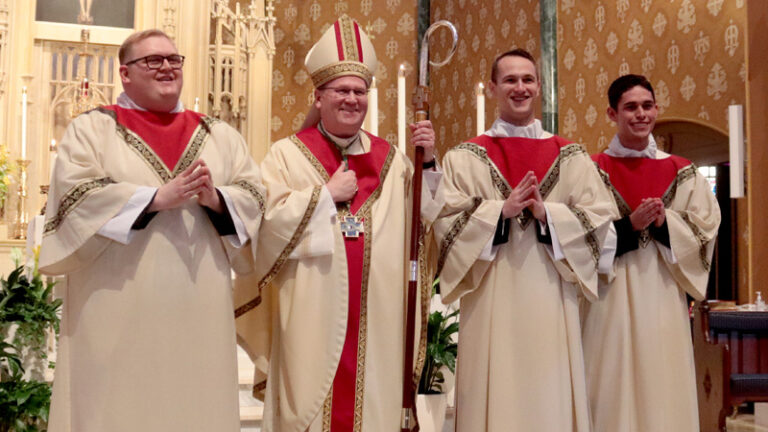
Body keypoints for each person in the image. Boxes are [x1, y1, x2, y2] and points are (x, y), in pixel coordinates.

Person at [39, 29, 265, 432]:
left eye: (174, 59)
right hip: (116, 303)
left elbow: (253, 194)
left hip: (198, 305)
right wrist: (155, 198)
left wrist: (216, 200)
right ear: (124, 73)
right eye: (153, 60)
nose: (167, 67)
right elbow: (74, 196)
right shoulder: (92, 130)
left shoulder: (220, 135)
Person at [234, 14, 443, 432]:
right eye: (341, 90)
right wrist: (323, 198)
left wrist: (430, 162)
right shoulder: (286, 156)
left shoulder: (395, 162)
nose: (352, 99)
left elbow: (426, 223)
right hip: (310, 318)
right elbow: (264, 226)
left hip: (379, 321)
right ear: (318, 97)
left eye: (359, 91)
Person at [433, 48, 616, 432]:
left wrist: (546, 214)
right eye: (511, 80)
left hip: (551, 296)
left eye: (528, 80)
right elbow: (445, 224)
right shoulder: (465, 157)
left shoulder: (571, 156)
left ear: (539, 87)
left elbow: (601, 222)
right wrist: (500, 211)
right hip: (490, 299)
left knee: (548, 395)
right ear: (493, 87)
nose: (520, 88)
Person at [582, 74, 721, 432]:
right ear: (612, 113)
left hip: (662, 296)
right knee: (610, 381)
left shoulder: (683, 171)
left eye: (647, 106)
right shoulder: (590, 170)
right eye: (630, 107)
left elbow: (705, 229)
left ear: (657, 109)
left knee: (663, 380)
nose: (640, 114)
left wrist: (663, 224)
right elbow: (577, 234)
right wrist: (628, 226)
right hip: (607, 298)